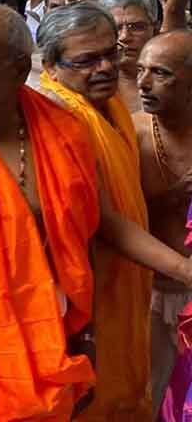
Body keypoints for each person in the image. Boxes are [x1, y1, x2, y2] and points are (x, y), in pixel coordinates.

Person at [0, 5, 192, 421]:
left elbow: (107, 222)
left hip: (47, 352)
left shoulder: (63, 132)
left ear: (18, 70)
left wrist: (184, 270)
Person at [38, 1, 157, 419]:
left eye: (111, 53)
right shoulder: (58, 117)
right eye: (87, 60)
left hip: (124, 288)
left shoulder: (113, 107)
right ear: (51, 66)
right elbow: (104, 222)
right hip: (80, 307)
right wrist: (182, 270)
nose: (105, 67)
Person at [131, 31, 192, 418]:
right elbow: (113, 218)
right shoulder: (131, 131)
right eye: (140, 70)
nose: (143, 83)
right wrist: (172, 195)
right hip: (145, 294)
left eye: (160, 73)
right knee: (145, 401)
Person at [101, 0, 160, 112]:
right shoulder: (92, 83)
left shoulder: (173, 83)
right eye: (116, 27)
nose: (124, 37)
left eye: (137, 27)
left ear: (155, 30)